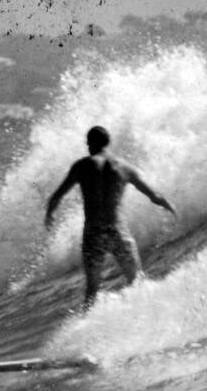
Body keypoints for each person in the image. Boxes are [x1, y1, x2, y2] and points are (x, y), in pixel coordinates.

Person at [44, 125, 177, 310]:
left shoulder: (81, 166)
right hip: (117, 231)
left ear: (89, 144)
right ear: (108, 143)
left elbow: (56, 197)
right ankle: (142, 319)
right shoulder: (124, 168)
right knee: (135, 281)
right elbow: (154, 195)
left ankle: (86, 327)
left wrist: (49, 216)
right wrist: (170, 207)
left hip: (93, 234)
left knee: (92, 289)